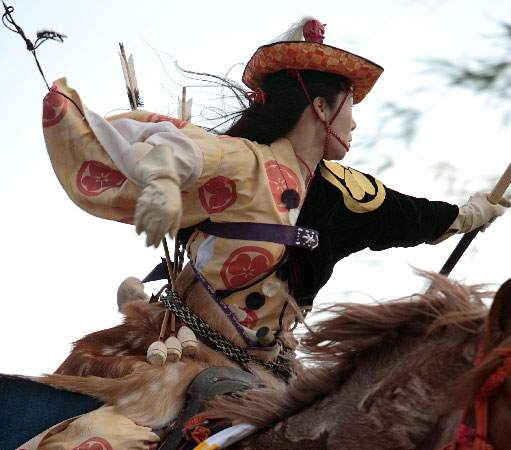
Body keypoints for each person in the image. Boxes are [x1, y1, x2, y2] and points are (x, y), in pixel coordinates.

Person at [43, 16, 509, 357]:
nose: (356, 121)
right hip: (188, 356)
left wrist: (474, 212)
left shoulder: (343, 193)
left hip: (272, 364)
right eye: (349, 104)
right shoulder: (246, 160)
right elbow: (173, 150)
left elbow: (414, 216)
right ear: (322, 109)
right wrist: (163, 184)